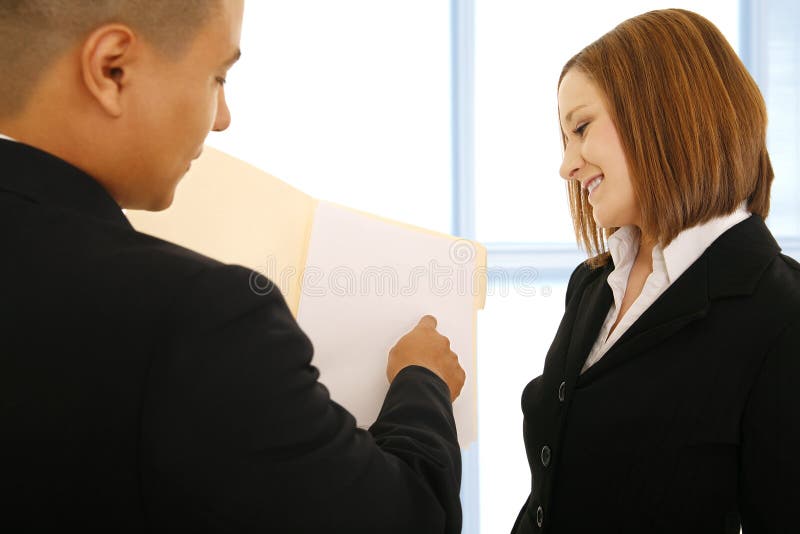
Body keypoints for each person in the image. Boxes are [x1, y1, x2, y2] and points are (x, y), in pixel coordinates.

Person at [0, 1, 465, 531]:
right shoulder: (200, 315)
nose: (222, 118)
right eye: (217, 77)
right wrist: (422, 382)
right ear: (112, 68)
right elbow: (404, 520)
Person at [513, 8, 800, 534]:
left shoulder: (782, 313)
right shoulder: (594, 285)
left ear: (662, 111)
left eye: (580, 128)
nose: (567, 164)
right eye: (565, 139)